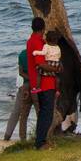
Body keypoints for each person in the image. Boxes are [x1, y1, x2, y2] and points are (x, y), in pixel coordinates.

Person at [26, 17, 58, 150]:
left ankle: (40, 140)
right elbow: (40, 63)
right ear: (43, 29)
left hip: (36, 82)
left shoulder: (30, 41)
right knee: (47, 113)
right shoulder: (38, 42)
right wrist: (56, 69)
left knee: (43, 112)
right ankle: (41, 142)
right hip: (45, 83)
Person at [3, 42, 32, 142]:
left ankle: (8, 135)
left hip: (22, 86)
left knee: (17, 112)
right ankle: (40, 137)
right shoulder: (37, 54)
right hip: (33, 85)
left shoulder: (22, 54)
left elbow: (21, 72)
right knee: (39, 111)